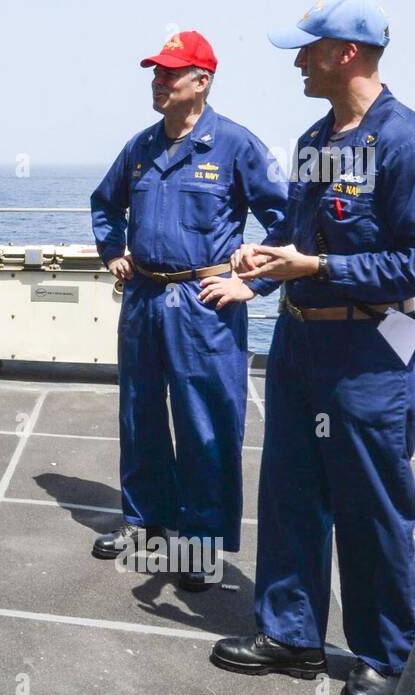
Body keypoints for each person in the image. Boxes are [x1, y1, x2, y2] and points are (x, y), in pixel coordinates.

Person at [211, 0, 415, 695]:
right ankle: (290, 636)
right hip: (301, 344)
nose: (296, 62)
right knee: (290, 496)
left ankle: (387, 657)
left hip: (371, 352)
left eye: (307, 50)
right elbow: (299, 234)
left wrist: (318, 270)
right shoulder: (317, 139)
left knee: (371, 508)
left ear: (345, 53)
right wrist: (256, 267)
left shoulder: (408, 144)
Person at [90, 30, 288, 590]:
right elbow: (106, 204)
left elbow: (288, 221)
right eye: (154, 72)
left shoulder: (235, 145)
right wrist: (112, 252)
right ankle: (148, 525)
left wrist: (253, 283)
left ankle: (200, 546)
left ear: (202, 81)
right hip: (146, 298)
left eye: (169, 73)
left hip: (204, 303)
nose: (157, 81)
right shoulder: (140, 146)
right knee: (140, 414)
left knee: (207, 425)